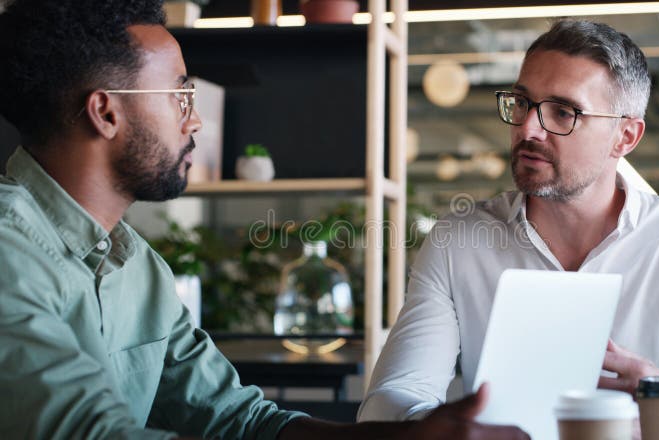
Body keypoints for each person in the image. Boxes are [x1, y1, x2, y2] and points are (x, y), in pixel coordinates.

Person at [0, 1, 531, 439]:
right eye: (181, 94)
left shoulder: (139, 268)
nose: (197, 118)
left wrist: (404, 437)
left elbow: (243, 421)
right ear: (106, 112)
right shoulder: (10, 252)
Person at [359, 19, 659, 438]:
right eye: (523, 103)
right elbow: (388, 402)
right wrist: (439, 428)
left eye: (564, 112)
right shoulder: (459, 241)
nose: (528, 127)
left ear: (625, 137)